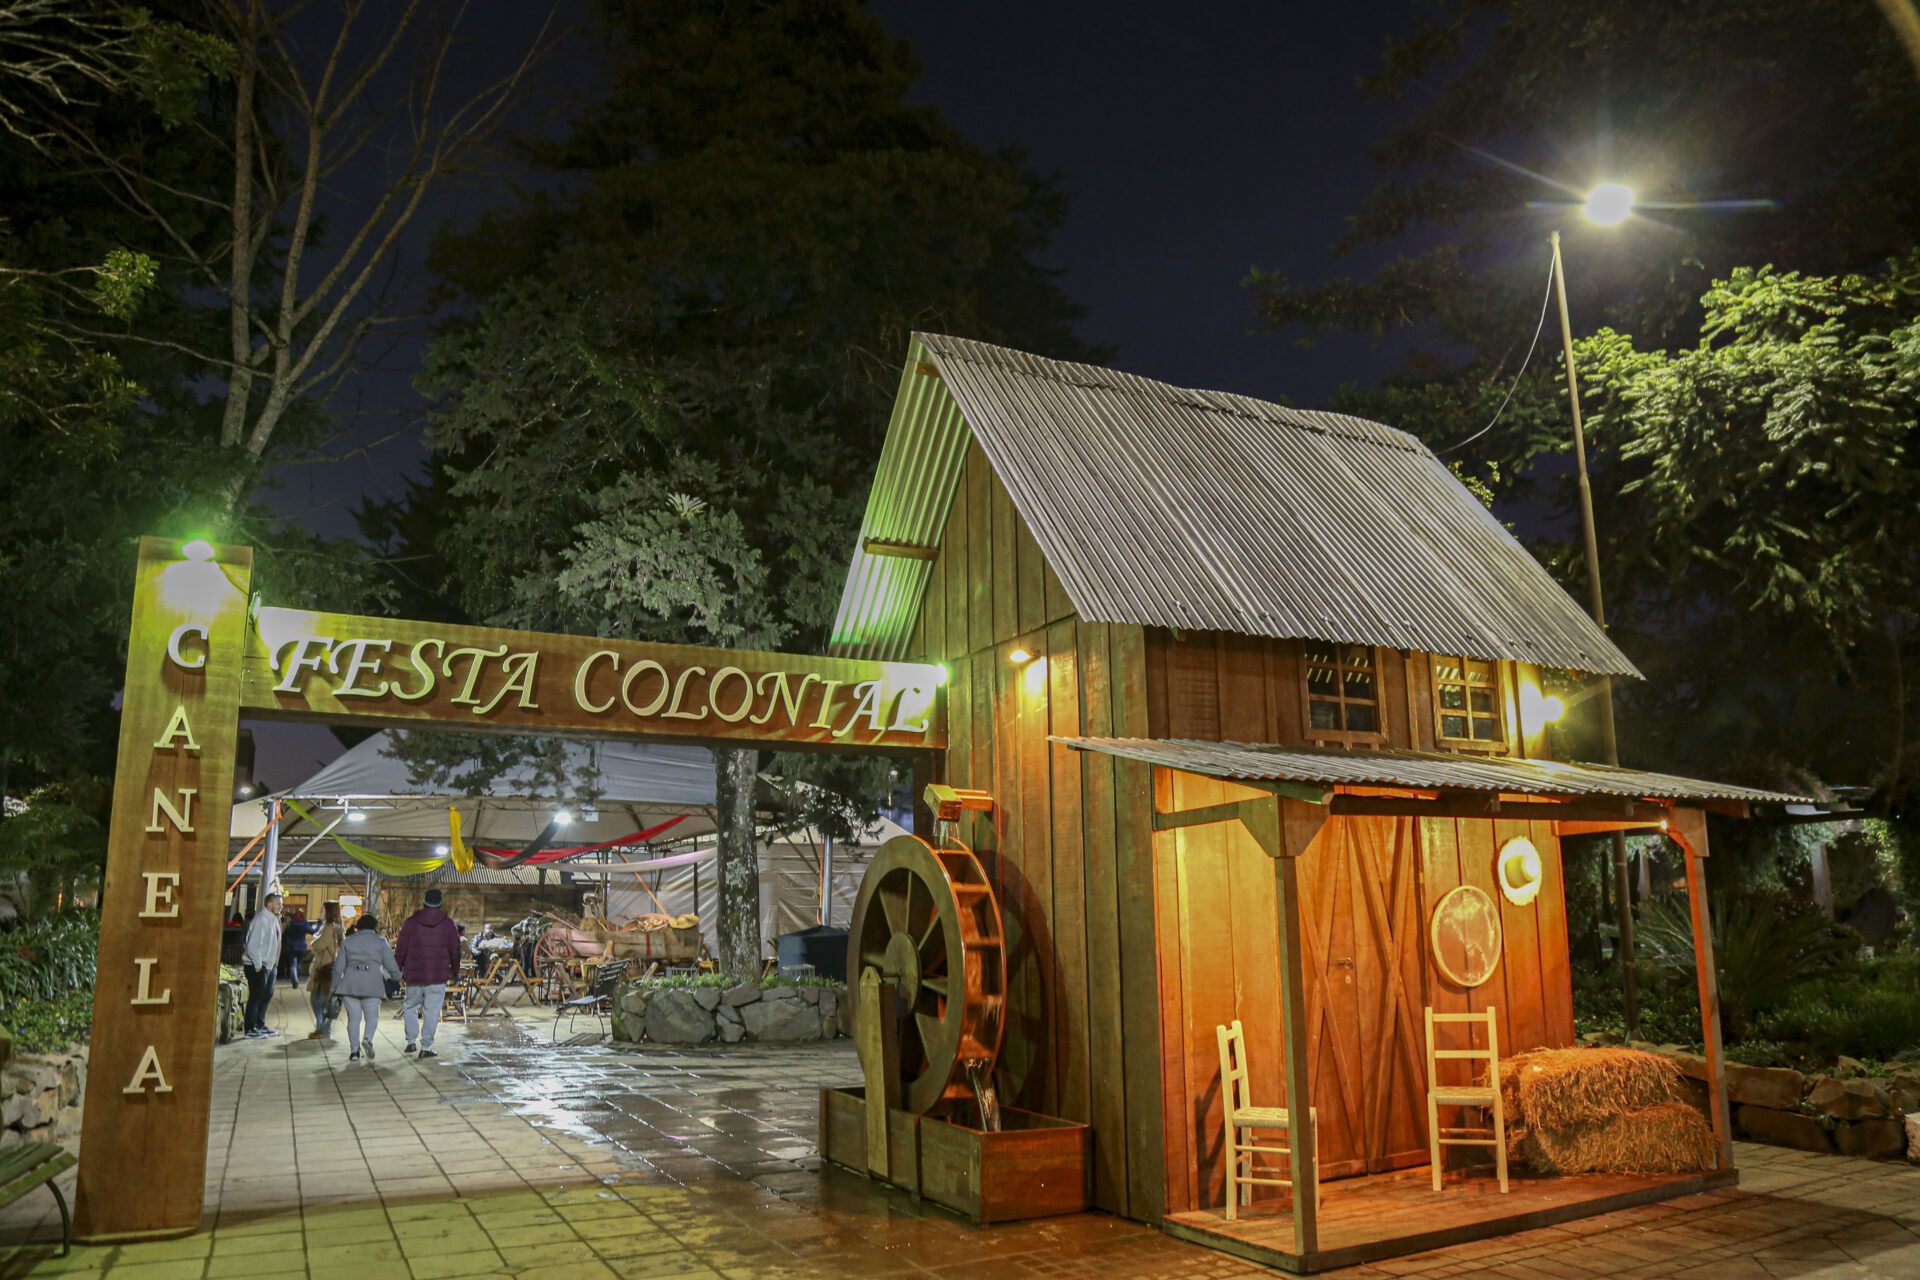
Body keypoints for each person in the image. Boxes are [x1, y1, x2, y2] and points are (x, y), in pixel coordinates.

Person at [395, 888, 462, 1060]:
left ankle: (411, 1041)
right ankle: (426, 1046)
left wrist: (397, 967)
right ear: (440, 904)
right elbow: (455, 950)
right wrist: (455, 970)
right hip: (437, 974)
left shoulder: (410, 923)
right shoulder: (448, 924)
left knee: (410, 1005)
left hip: (414, 973)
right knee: (432, 1010)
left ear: (424, 902)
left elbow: (401, 948)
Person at [331, 911, 401, 1062]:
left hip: (350, 983)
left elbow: (338, 968)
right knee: (372, 1016)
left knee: (353, 1019)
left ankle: (354, 1052)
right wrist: (398, 978)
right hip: (372, 983)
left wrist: (334, 987)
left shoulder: (348, 941)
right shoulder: (381, 942)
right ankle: (368, 1039)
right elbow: (391, 965)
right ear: (374, 927)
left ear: (358, 927)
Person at [242, 894, 284, 1038]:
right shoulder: (262, 920)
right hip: (258, 965)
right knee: (256, 996)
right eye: (278, 903)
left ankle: (260, 1024)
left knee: (266, 995)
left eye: (281, 904)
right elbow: (253, 947)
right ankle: (250, 1029)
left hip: (269, 965)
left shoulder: (273, 920)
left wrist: (274, 965)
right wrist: (259, 966)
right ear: (269, 904)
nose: (281, 906)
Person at [305, 901, 346, 1040]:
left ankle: (322, 1029)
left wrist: (313, 942)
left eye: (322, 910)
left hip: (325, 966)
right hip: (334, 967)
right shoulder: (339, 927)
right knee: (327, 1000)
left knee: (318, 1000)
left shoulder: (329, 927)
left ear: (328, 912)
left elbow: (319, 945)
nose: (320, 912)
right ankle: (323, 1028)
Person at [281, 908, 309, 984]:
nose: (287, 919)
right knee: (294, 963)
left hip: (290, 946)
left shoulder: (291, 925)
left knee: (292, 963)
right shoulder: (294, 925)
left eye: (288, 917)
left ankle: (293, 977)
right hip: (291, 946)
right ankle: (293, 976)